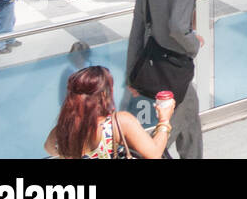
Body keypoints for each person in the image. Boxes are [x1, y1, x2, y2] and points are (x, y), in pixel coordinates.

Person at [125, 0, 204, 158]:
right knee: (176, 121)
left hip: (154, 62)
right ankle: (143, 152)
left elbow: (138, 26)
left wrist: (131, 75)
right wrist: (194, 44)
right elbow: (178, 27)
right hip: (175, 64)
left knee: (190, 124)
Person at [45, 65, 175, 159]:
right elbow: (154, 153)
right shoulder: (118, 122)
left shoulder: (64, 128)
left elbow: (49, 149)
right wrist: (164, 121)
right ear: (103, 94)